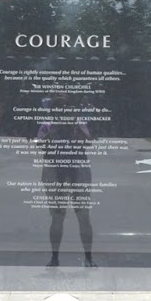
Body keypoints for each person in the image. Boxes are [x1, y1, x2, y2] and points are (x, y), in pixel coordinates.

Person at [35, 100, 95, 267]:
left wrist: (75, 126)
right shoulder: (48, 124)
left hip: (76, 168)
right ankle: (55, 257)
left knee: (83, 214)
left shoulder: (78, 123)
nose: (64, 113)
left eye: (67, 110)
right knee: (57, 215)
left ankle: (88, 257)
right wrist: (55, 129)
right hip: (55, 168)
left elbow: (88, 142)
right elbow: (40, 143)